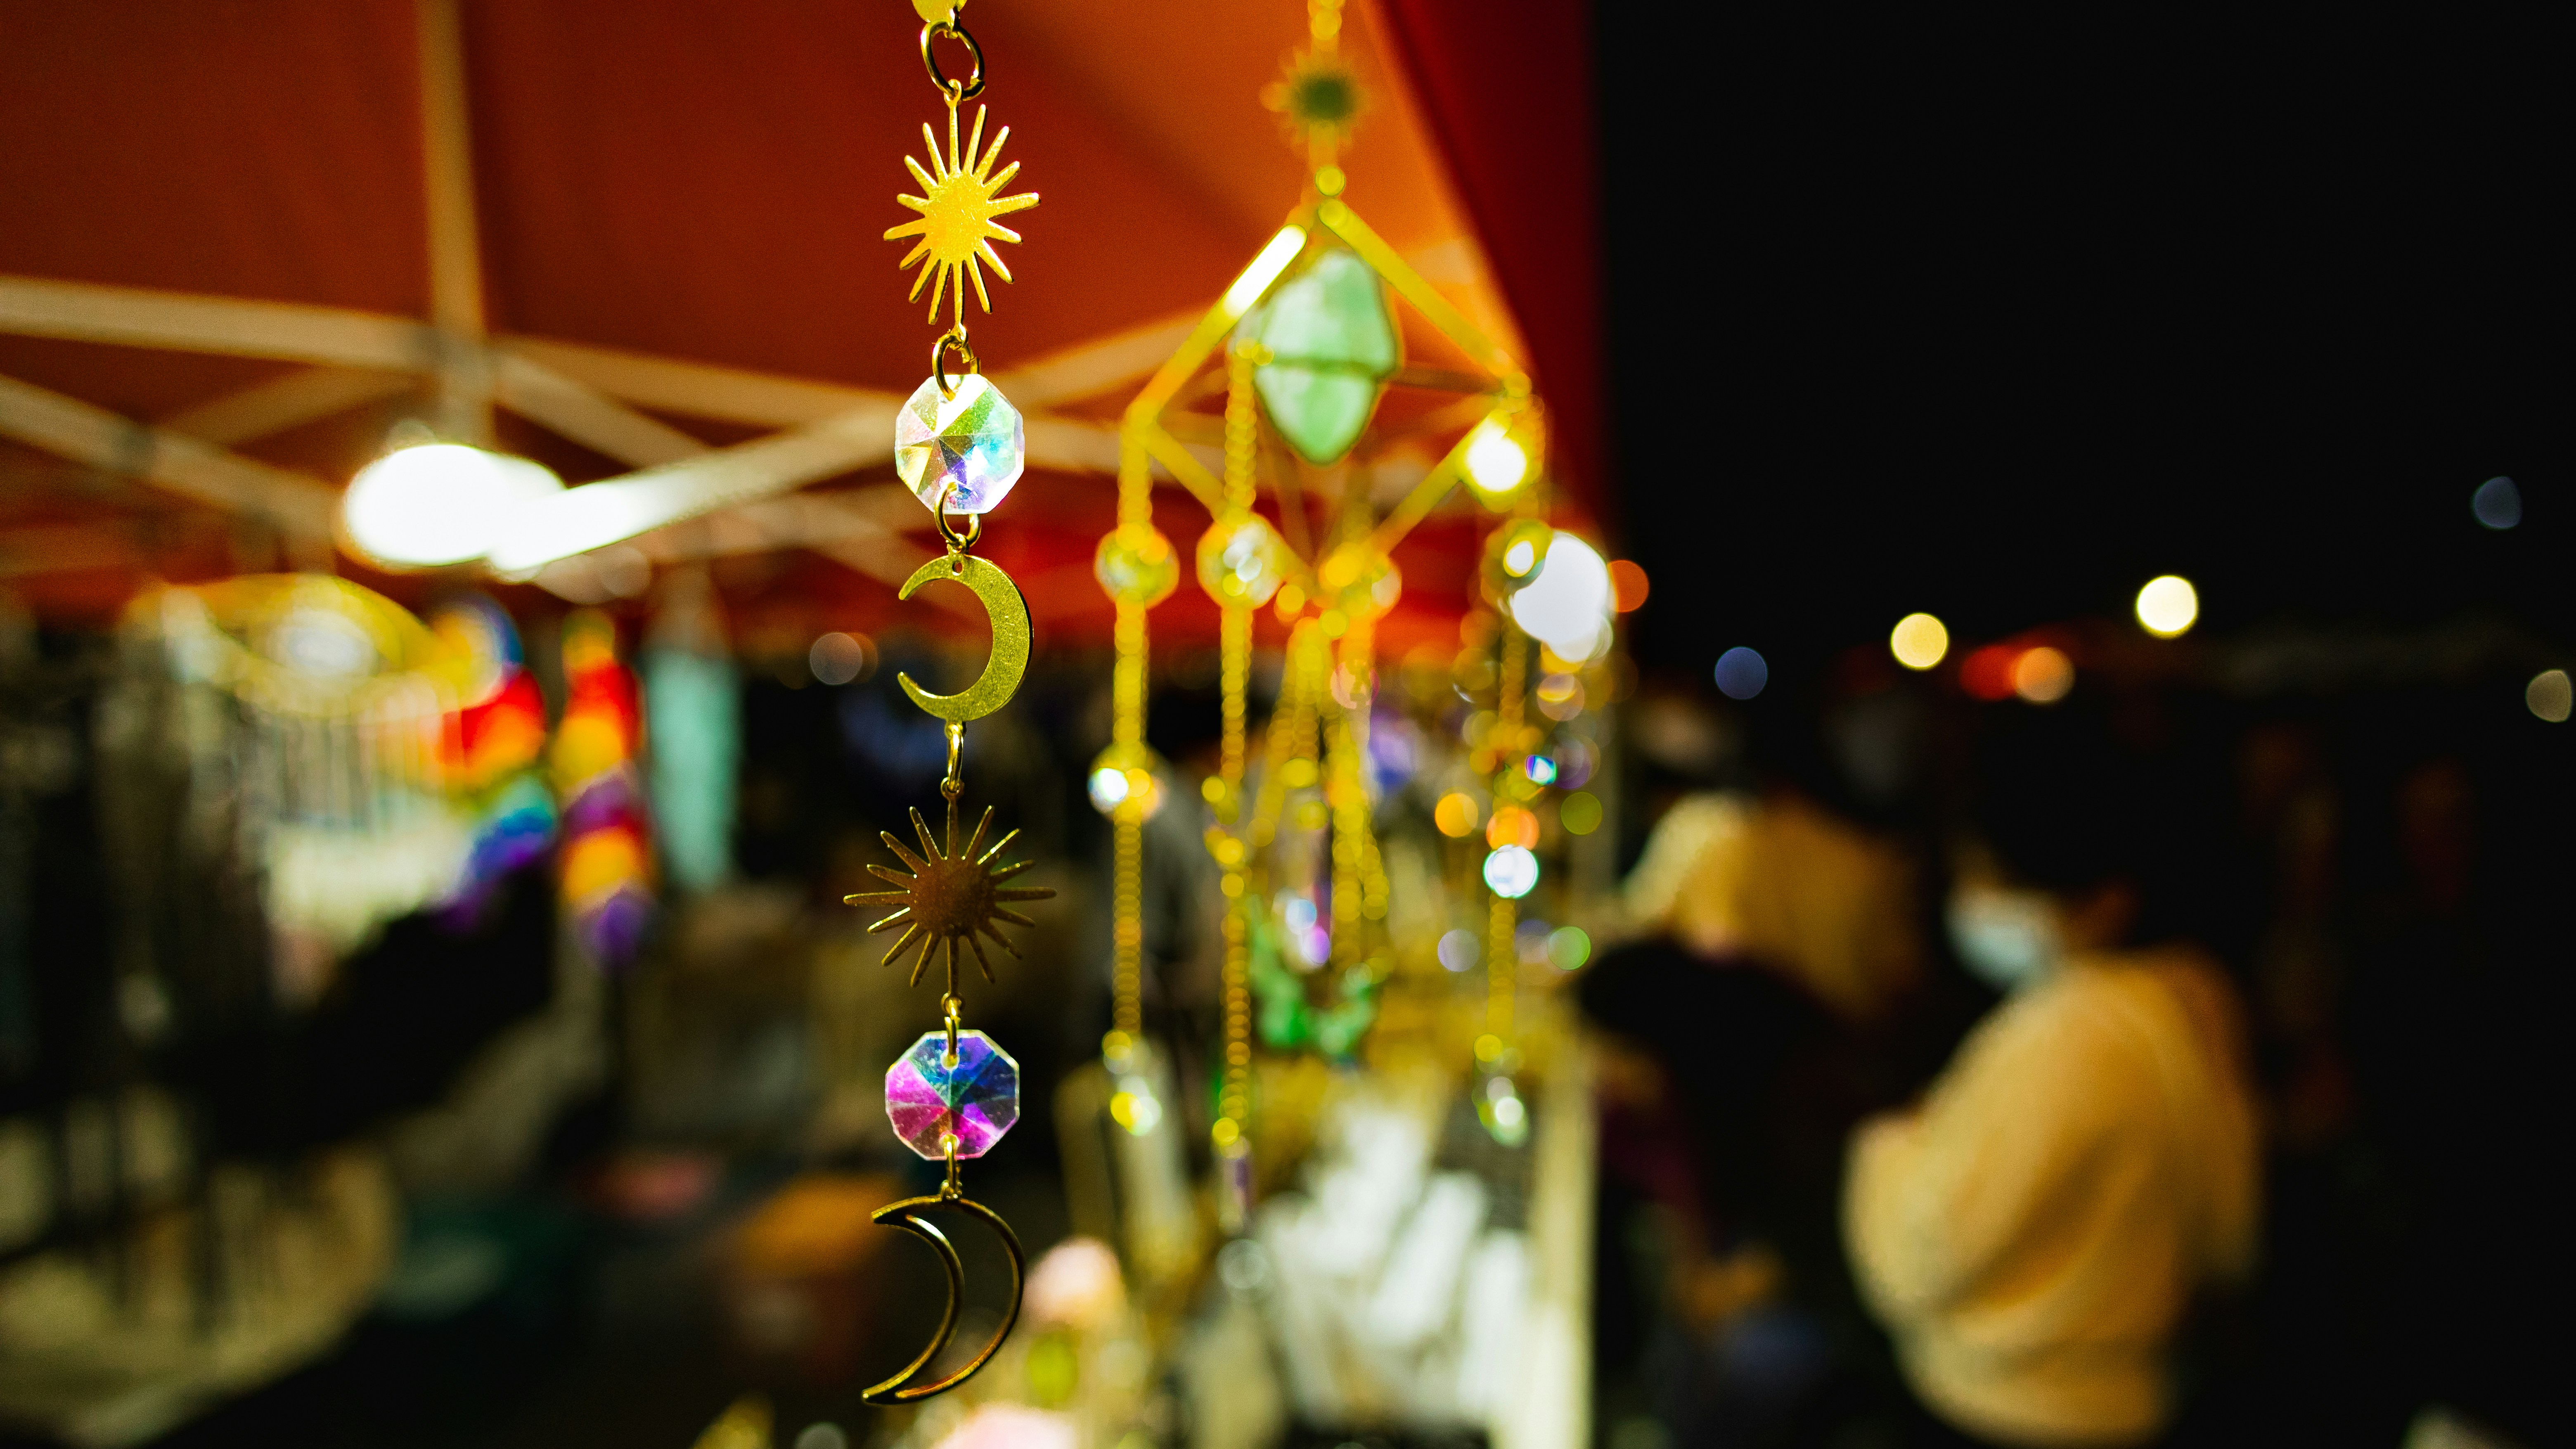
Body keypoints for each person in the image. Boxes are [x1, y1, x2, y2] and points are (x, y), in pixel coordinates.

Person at [1843, 713, 2259, 1448]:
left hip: (2018, 1407)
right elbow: (2227, 1235)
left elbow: (1922, 1251)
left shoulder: (2071, 1033)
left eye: (1993, 878)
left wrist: (1894, 1142)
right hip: (2125, 1394)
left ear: (2105, 900)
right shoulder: (2188, 998)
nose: (1973, 902)